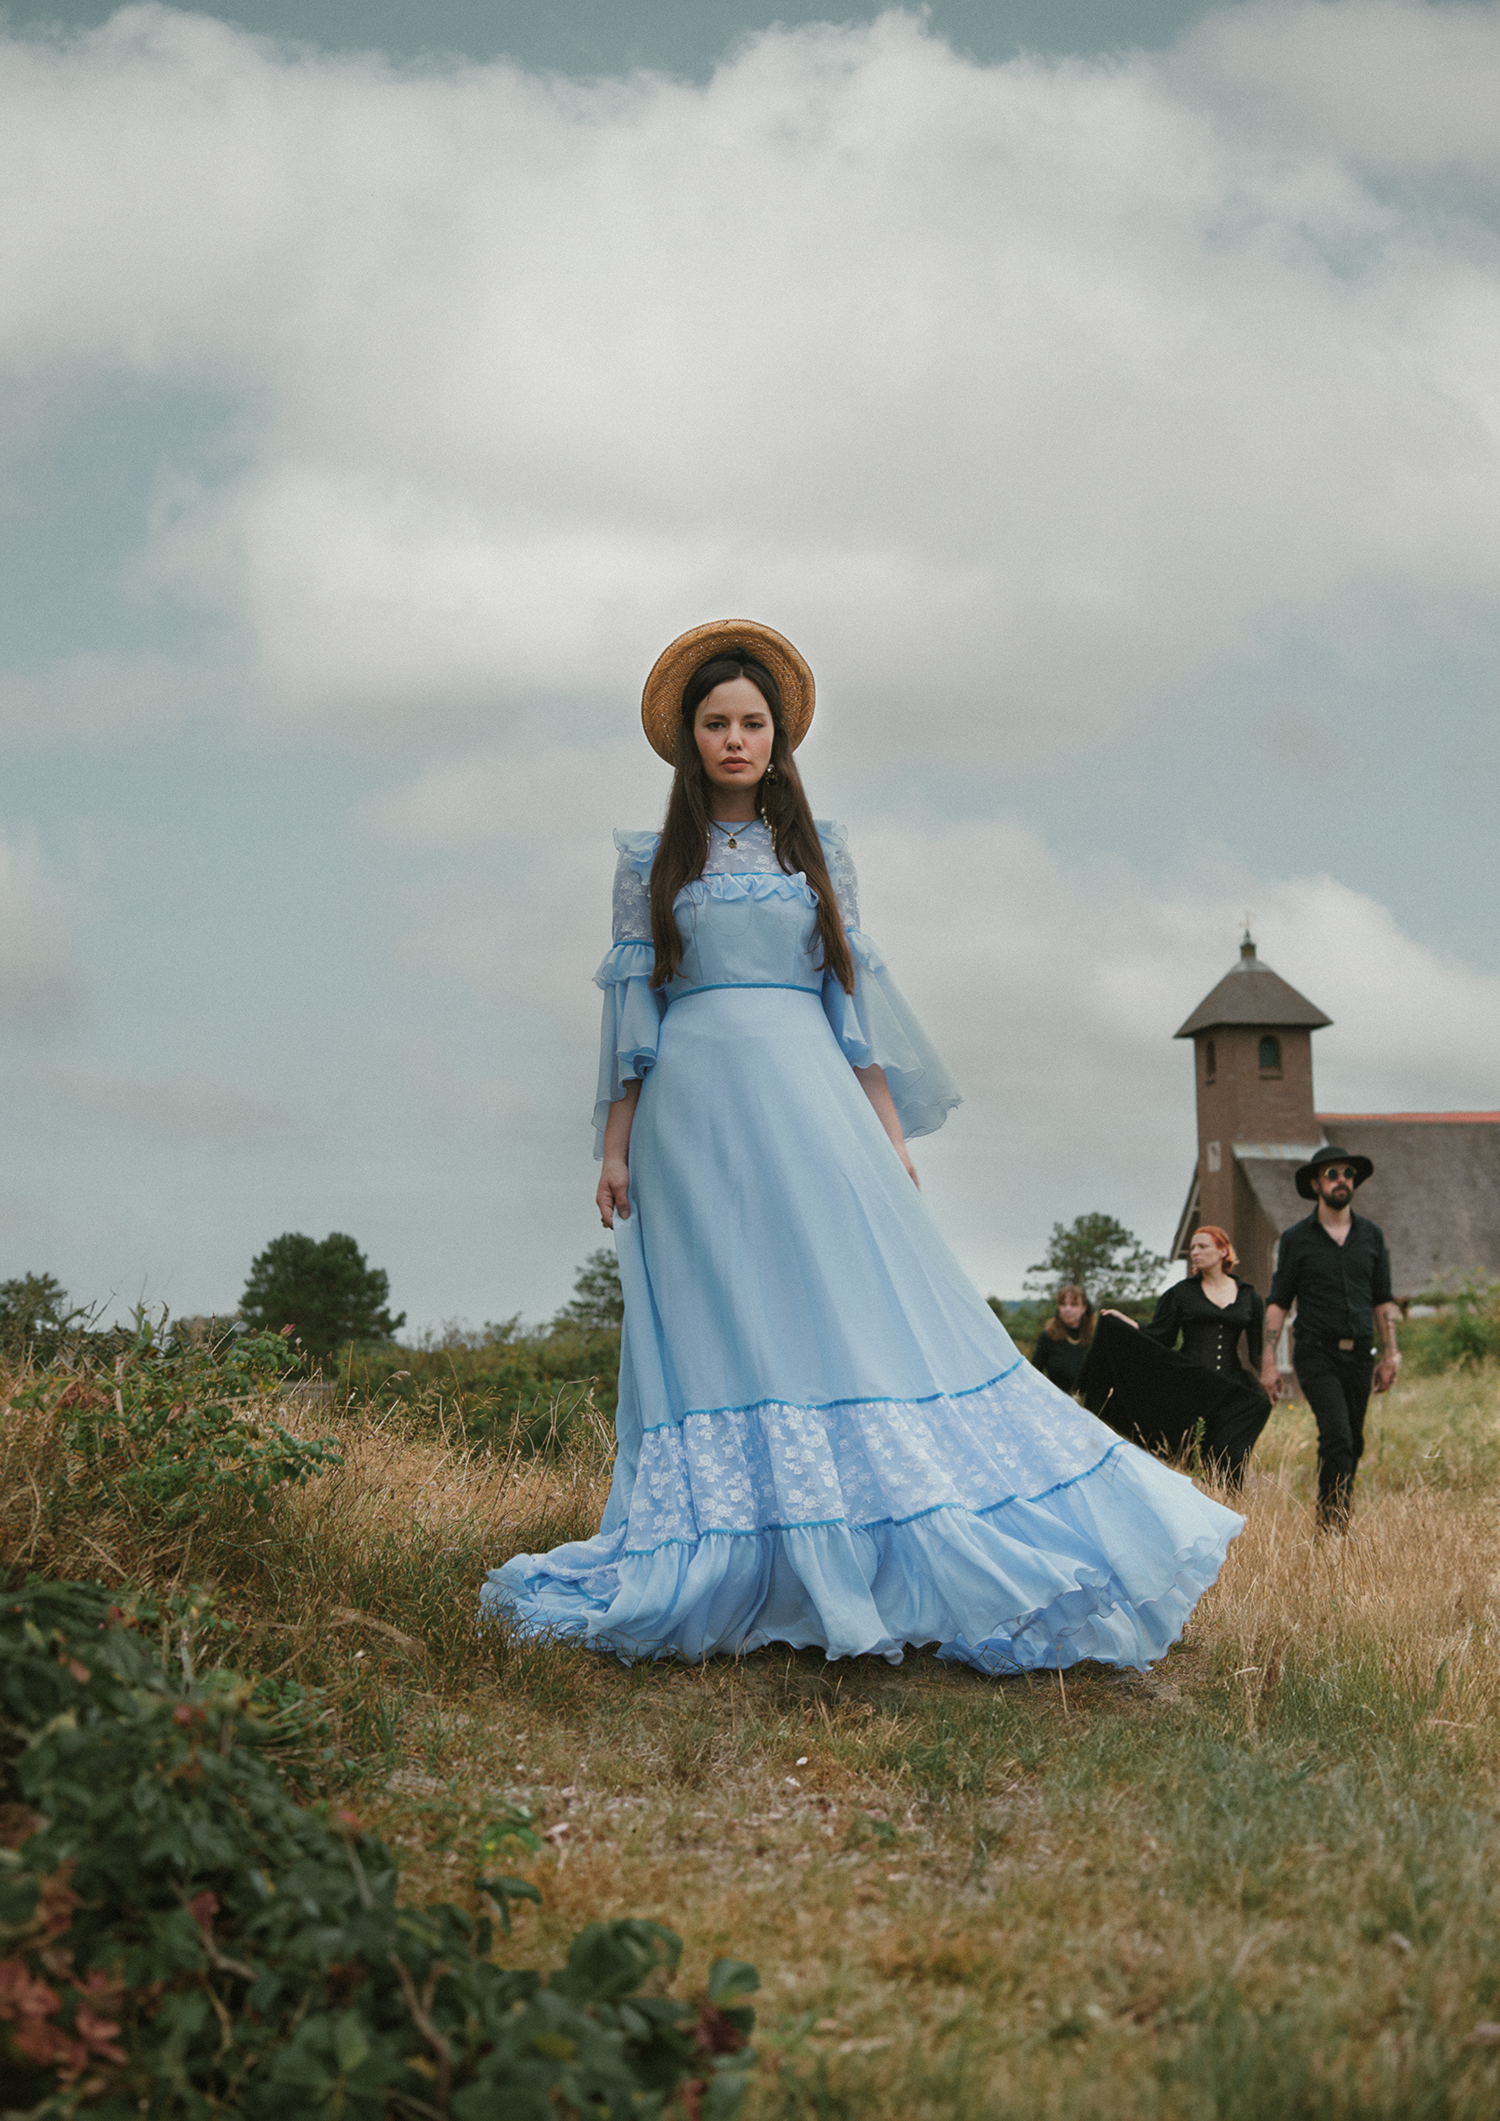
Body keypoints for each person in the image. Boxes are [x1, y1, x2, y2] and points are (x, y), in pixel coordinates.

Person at [481, 619, 1242, 1672]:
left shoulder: (817, 853)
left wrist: (888, 1138)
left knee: (847, 1300)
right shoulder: (650, 864)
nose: (736, 741)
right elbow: (632, 1018)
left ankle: (884, 1537)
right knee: (721, 1319)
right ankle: (749, 1548)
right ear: (689, 739)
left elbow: (855, 1009)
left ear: (779, 737)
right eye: (717, 724)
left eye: (753, 723)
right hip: (689, 1121)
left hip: (810, 1101)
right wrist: (614, 1148)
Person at [1260, 1145, 1400, 1532]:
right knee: (1336, 1434)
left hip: (1359, 1354)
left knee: (1353, 1441)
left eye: (1348, 1174)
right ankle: (1331, 1530)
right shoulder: (1296, 1239)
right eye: (1333, 1174)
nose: (1342, 1180)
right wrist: (1269, 1362)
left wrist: (1391, 1355)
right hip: (1315, 1351)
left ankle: (1337, 1517)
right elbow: (1278, 1304)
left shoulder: (1371, 1235)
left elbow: (1383, 1301)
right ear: (1315, 1183)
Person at [1079, 1229, 1270, 1491]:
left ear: (1223, 1251)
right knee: (1185, 1455)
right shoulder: (1182, 1293)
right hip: (1189, 1384)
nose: (1195, 1253)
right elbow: (1161, 1336)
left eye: (1202, 1246)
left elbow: (1258, 1350)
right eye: (1192, 1248)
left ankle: (1230, 1505)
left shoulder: (1248, 1295)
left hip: (1229, 1387)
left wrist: (1268, 1378)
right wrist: (1126, 1323)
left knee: (1230, 1455)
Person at [1030, 1285, 1094, 1394]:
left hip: (1087, 1406)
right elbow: (1033, 1375)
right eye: (1063, 1304)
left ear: (1084, 1307)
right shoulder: (1048, 1336)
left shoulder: (1093, 1337)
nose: (1067, 1309)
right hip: (1056, 1402)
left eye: (1073, 1305)